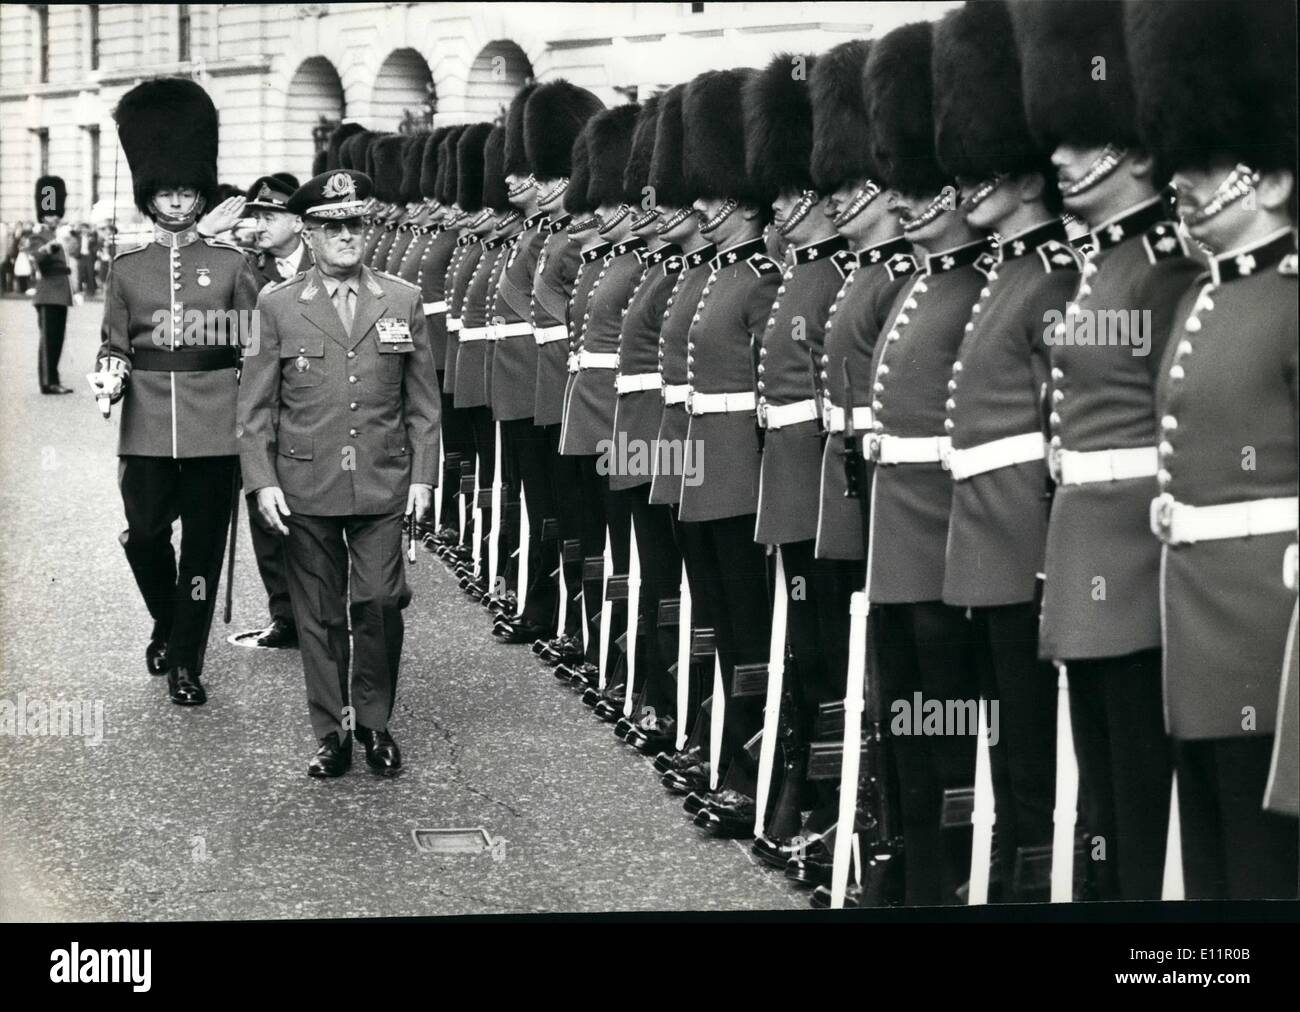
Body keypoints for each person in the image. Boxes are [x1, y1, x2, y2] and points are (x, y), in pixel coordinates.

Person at [1013, 0, 1200, 901]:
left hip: (1135, 559)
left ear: (1130, 149)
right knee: (1100, 792)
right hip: (1088, 549)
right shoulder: (1106, 262)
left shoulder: (1166, 267)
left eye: (1080, 139)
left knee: (1136, 792)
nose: (1057, 156)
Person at [1128, 0, 1298, 899]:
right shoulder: (1204, 294)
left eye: (1206, 163)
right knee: (1209, 859)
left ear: (1272, 179)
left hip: (1269, 625)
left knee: (1262, 860)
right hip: (1194, 616)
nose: (1182, 181)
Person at [933, 0, 1082, 901]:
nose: (964, 188)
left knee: (1029, 729)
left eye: (983, 168)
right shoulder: (1008, 273)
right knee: (997, 717)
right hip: (986, 535)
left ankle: (1034, 873)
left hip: (1025, 536)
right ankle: (1006, 859)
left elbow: (1063, 426)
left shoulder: (1052, 275)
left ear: (1026, 176)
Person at [236, 168, 441, 778]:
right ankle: (334, 733)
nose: (347, 236)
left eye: (354, 224)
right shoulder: (277, 305)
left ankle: (374, 722)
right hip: (306, 484)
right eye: (332, 227)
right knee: (320, 615)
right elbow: (255, 408)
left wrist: (424, 479)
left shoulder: (401, 299)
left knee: (378, 601)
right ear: (309, 233)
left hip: (383, 480)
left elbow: (423, 403)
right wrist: (262, 481)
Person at [90, 77, 259, 707]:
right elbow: (115, 343)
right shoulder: (127, 270)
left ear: (200, 193)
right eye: (168, 192)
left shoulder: (233, 264)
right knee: (144, 534)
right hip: (147, 420)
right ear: (150, 197)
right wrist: (111, 373)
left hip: (215, 419)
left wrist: (255, 417)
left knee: (203, 552)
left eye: (188, 192)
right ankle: (168, 621)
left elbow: (252, 347)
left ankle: (186, 660)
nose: (179, 201)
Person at [28, 176, 75, 394]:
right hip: (47, 293)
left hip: (61, 293)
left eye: (57, 214)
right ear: (43, 214)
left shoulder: (60, 234)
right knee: (48, 341)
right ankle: (47, 382)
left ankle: (54, 380)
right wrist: (53, 245)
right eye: (51, 214)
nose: (55, 217)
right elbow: (38, 257)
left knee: (56, 340)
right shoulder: (38, 236)